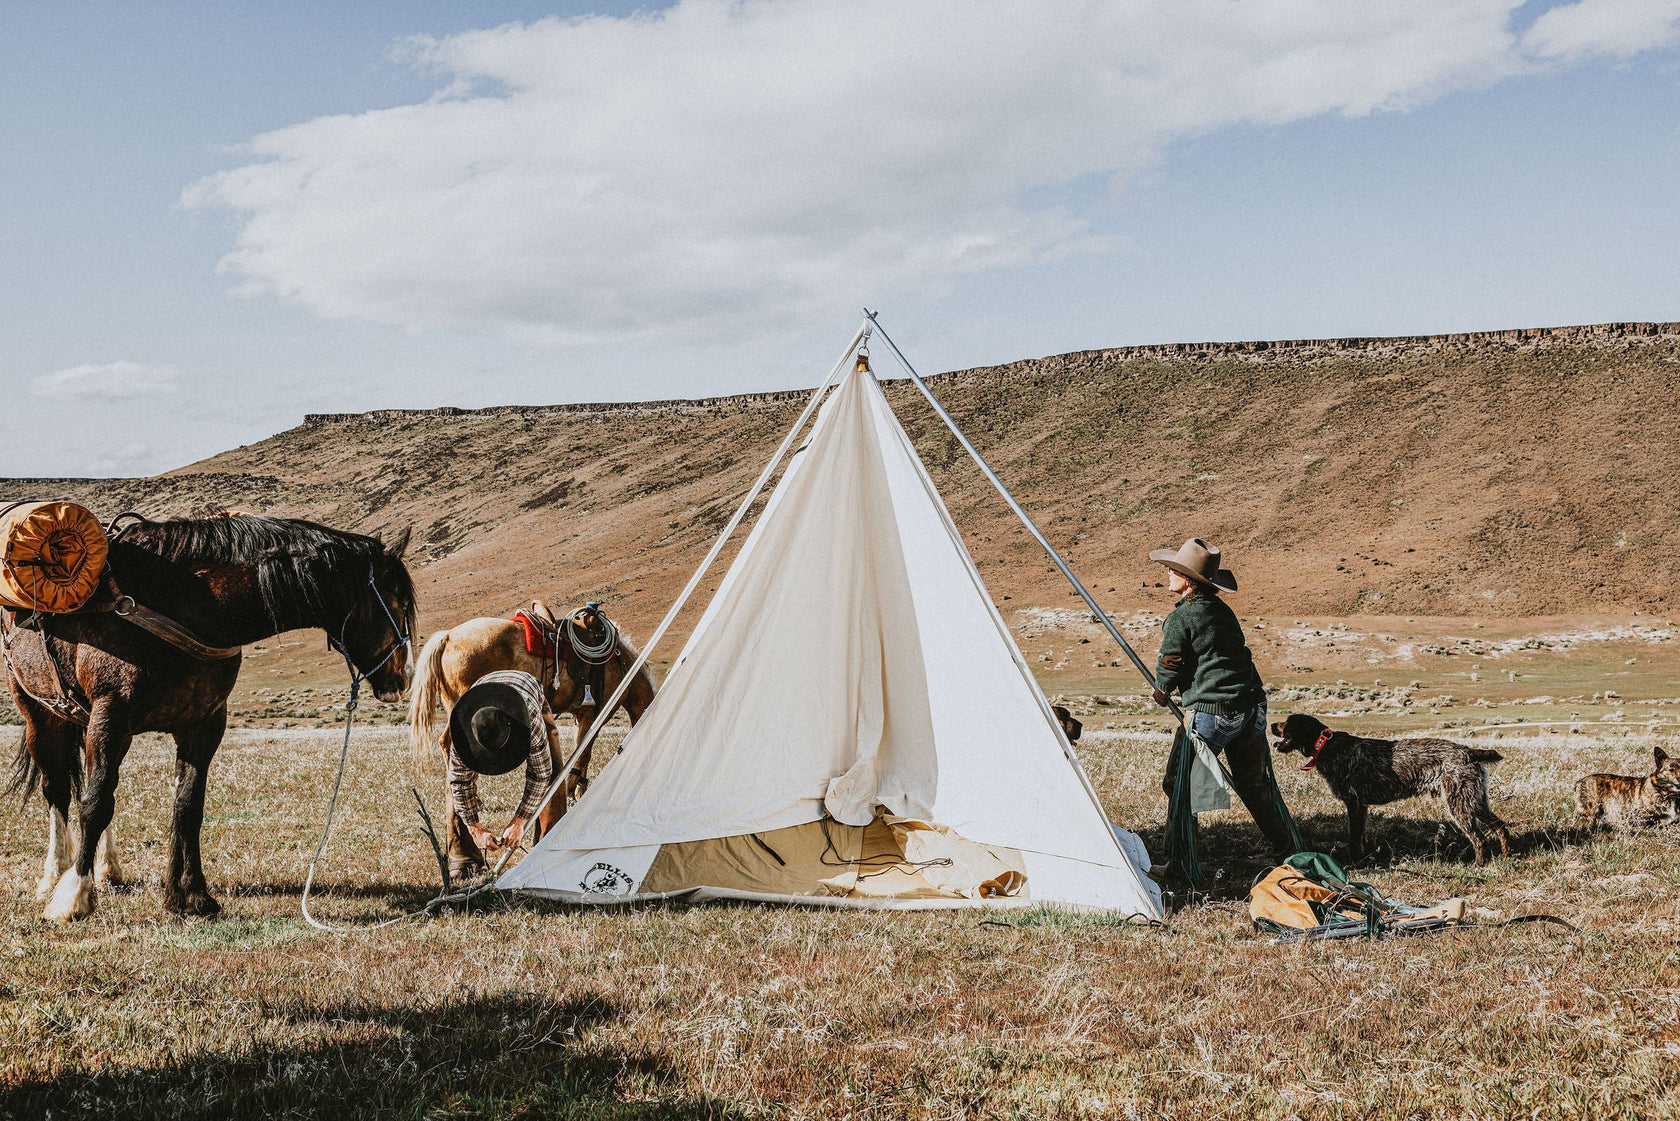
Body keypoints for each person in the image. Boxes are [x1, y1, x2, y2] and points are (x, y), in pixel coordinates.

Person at [1148, 538, 1298, 860]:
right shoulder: (1222, 611)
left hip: (1214, 711)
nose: (1169, 574)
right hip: (1252, 706)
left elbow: (1170, 662)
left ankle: (1181, 864)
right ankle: (1287, 851)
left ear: (1188, 580)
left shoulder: (1180, 618)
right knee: (1254, 784)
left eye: (1175, 570)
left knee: (1178, 785)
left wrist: (1162, 689)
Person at [445, 668, 560, 876]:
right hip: (483, 684)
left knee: (554, 769)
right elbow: (459, 783)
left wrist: (519, 822)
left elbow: (541, 774)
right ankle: (464, 858)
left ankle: (549, 851)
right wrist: (475, 829)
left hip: (527, 687)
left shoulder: (530, 720)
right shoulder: (462, 730)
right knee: (456, 785)